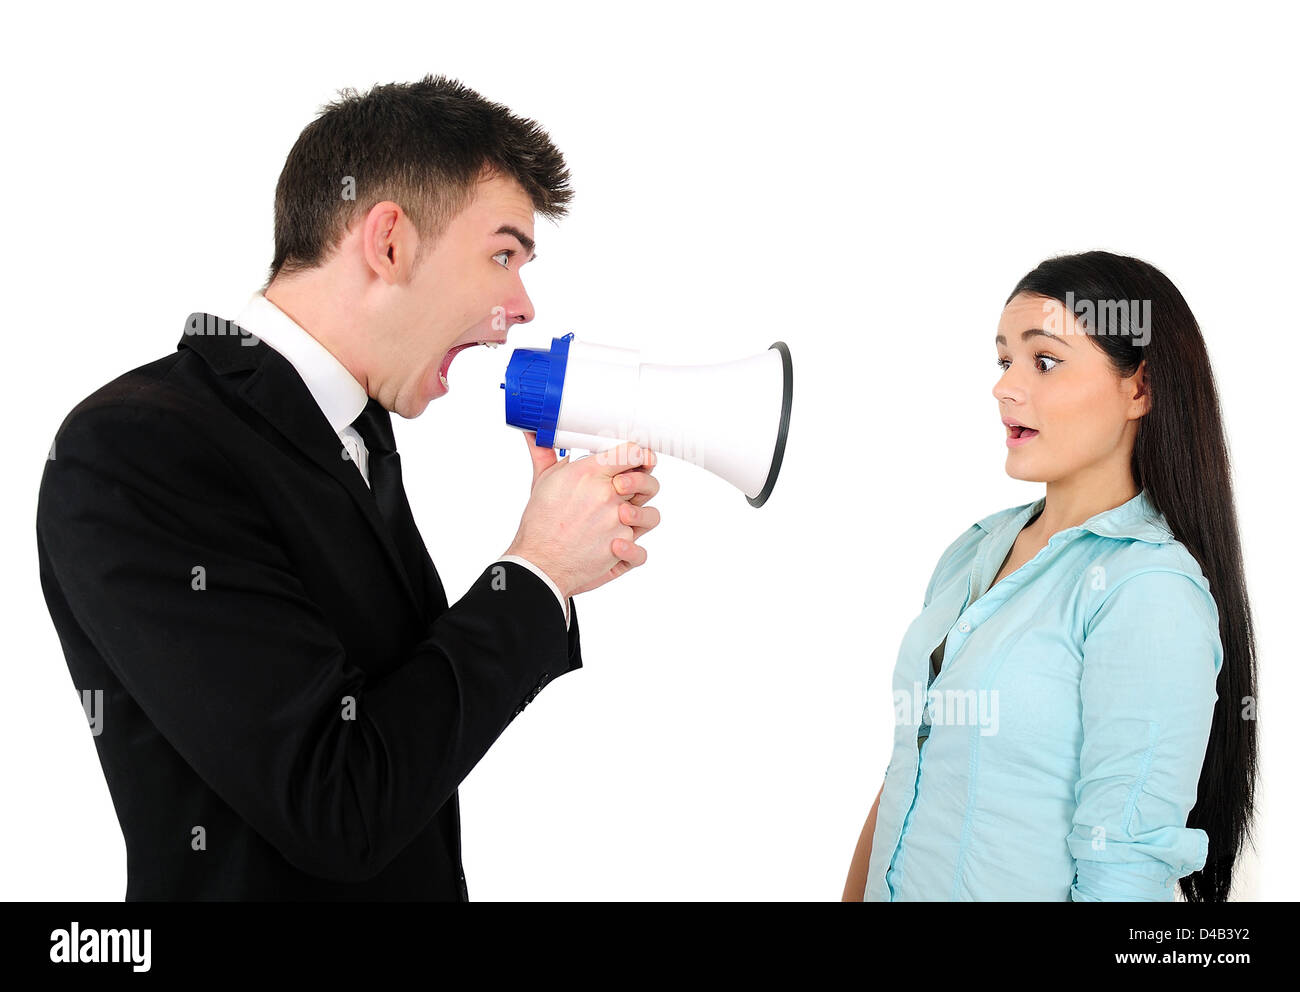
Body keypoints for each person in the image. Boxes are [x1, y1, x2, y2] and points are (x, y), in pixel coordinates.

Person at [35, 75, 662, 900]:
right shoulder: (136, 446)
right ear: (390, 242)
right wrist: (535, 573)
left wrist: (553, 574)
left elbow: (400, 732)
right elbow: (338, 805)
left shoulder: (355, 428)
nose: (522, 304)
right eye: (503, 253)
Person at [842, 251, 1257, 902]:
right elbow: (907, 776)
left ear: (1139, 388)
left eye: (1044, 360)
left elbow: (1122, 873)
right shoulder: (972, 550)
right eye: (1005, 360)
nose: (1005, 386)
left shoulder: (1147, 590)